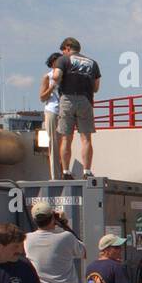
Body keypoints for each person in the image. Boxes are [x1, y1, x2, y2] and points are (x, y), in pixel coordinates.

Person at [48, 37, 101, 179]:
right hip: (85, 101)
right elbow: (96, 88)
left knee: (66, 138)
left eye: (63, 50)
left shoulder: (63, 60)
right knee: (86, 138)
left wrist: (55, 78)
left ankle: (66, 172)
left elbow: (57, 76)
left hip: (67, 99)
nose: (63, 53)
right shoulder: (92, 63)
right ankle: (87, 171)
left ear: (67, 47)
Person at [39, 52, 63, 179]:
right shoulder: (47, 77)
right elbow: (42, 97)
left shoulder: (66, 77)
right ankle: (55, 175)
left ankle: (65, 172)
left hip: (64, 111)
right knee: (53, 143)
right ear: (53, 63)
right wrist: (51, 88)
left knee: (65, 143)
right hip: (52, 111)